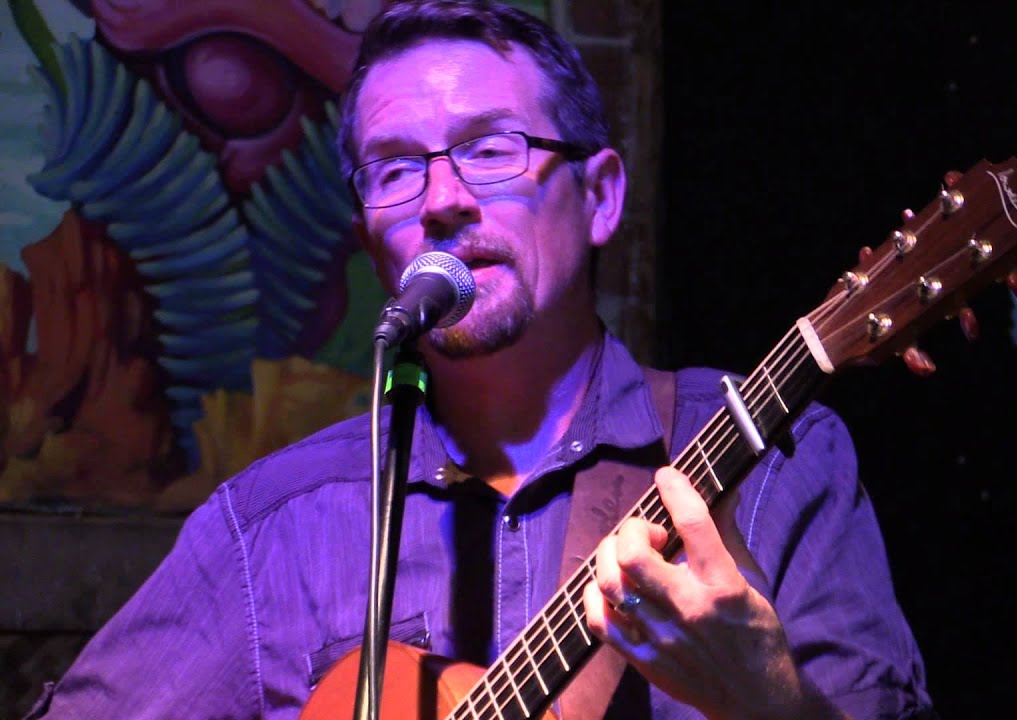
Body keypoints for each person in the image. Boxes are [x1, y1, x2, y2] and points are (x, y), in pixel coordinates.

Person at [25, 1, 933, 718]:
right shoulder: (281, 529)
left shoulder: (772, 460)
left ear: (602, 197)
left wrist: (768, 705)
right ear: (369, 237)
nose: (444, 201)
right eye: (393, 169)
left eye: (493, 150)